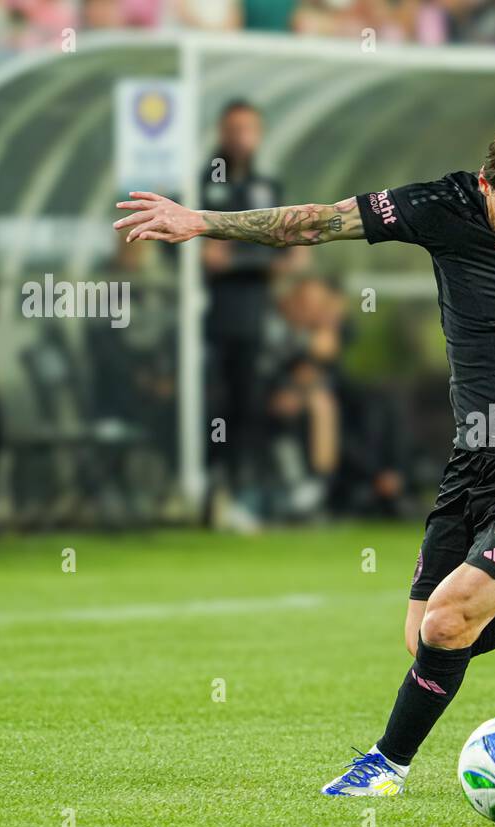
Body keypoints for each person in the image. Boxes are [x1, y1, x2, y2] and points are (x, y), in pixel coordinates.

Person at [114, 115, 495, 797]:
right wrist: (203, 221)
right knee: (426, 640)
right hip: (475, 454)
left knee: (448, 620)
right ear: (487, 183)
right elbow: (318, 221)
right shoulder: (441, 207)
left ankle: (386, 766)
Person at [201, 99, 284, 532]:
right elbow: (188, 250)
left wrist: (232, 258)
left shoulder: (267, 187)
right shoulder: (200, 182)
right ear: (221, 130)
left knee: (246, 405)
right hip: (205, 318)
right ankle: (206, 489)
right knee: (208, 403)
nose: (241, 137)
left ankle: (237, 492)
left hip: (252, 318)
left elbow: (282, 248)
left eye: (249, 128)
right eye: (233, 128)